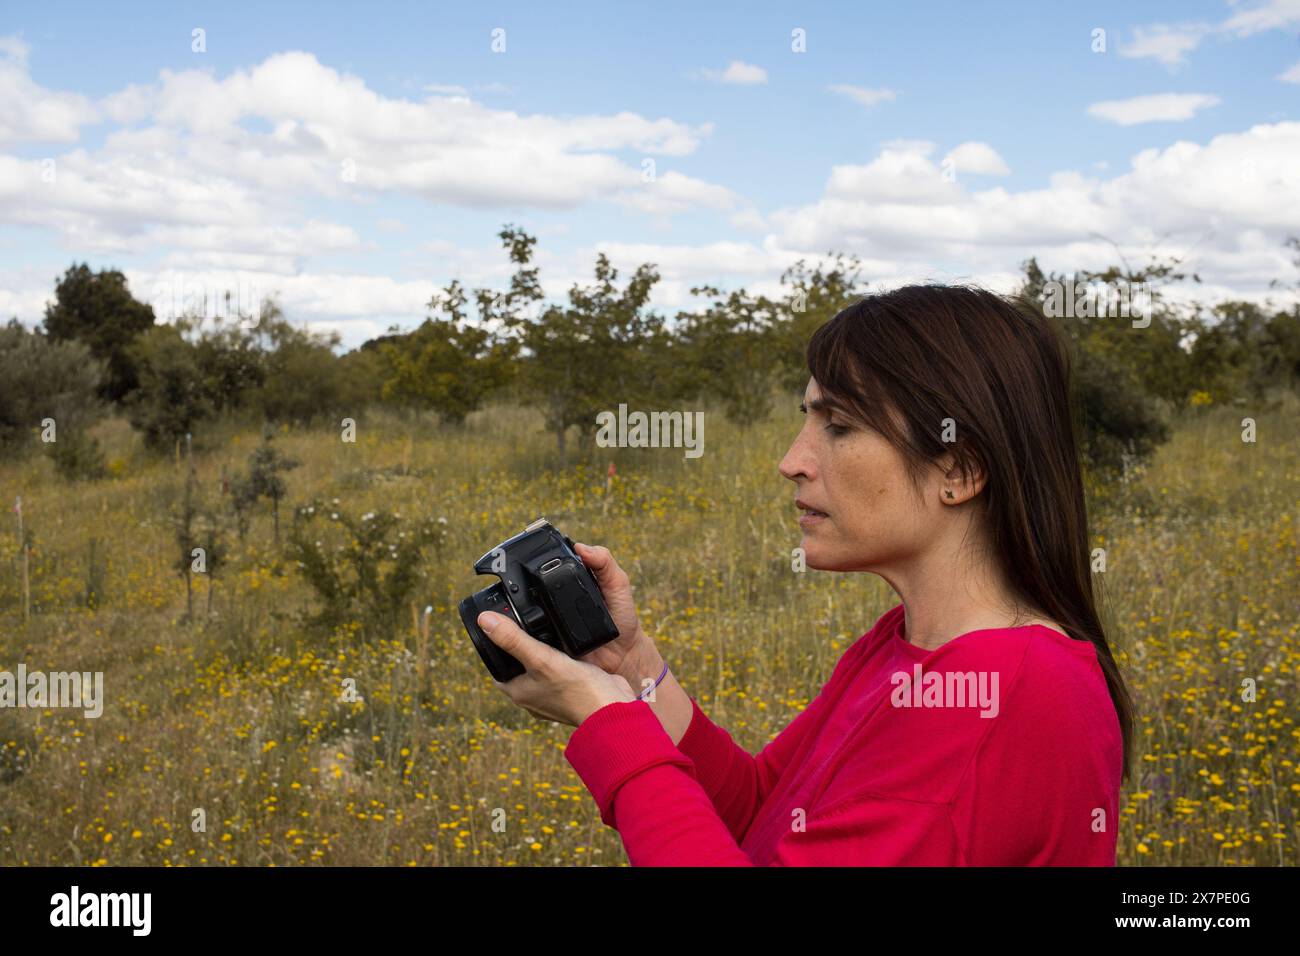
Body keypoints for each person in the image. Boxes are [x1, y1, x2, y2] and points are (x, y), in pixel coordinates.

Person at [477, 283, 1132, 866]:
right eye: (808, 421)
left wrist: (614, 728)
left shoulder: (1007, 694)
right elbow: (761, 810)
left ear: (959, 471)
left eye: (840, 426)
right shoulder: (903, 644)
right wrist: (631, 667)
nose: (792, 461)